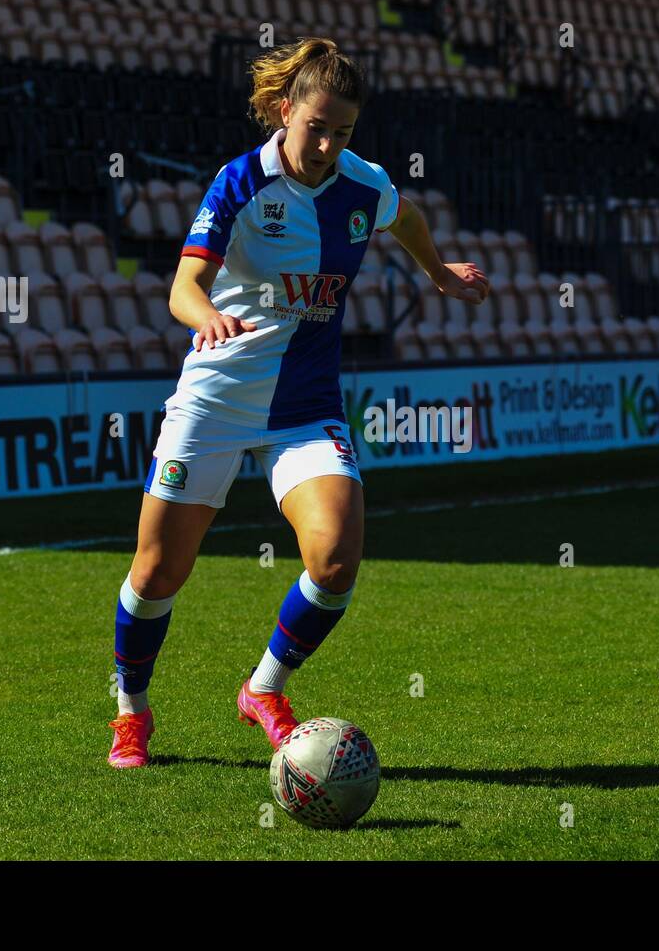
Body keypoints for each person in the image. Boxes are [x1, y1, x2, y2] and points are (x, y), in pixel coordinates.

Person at [107, 37, 489, 765]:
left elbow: (402, 216)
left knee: (337, 558)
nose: (327, 144)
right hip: (217, 395)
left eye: (343, 132)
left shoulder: (362, 184)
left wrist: (438, 271)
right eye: (317, 127)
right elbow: (183, 286)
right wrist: (205, 316)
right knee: (157, 571)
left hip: (306, 404)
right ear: (286, 111)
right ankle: (132, 710)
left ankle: (264, 687)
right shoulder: (240, 182)